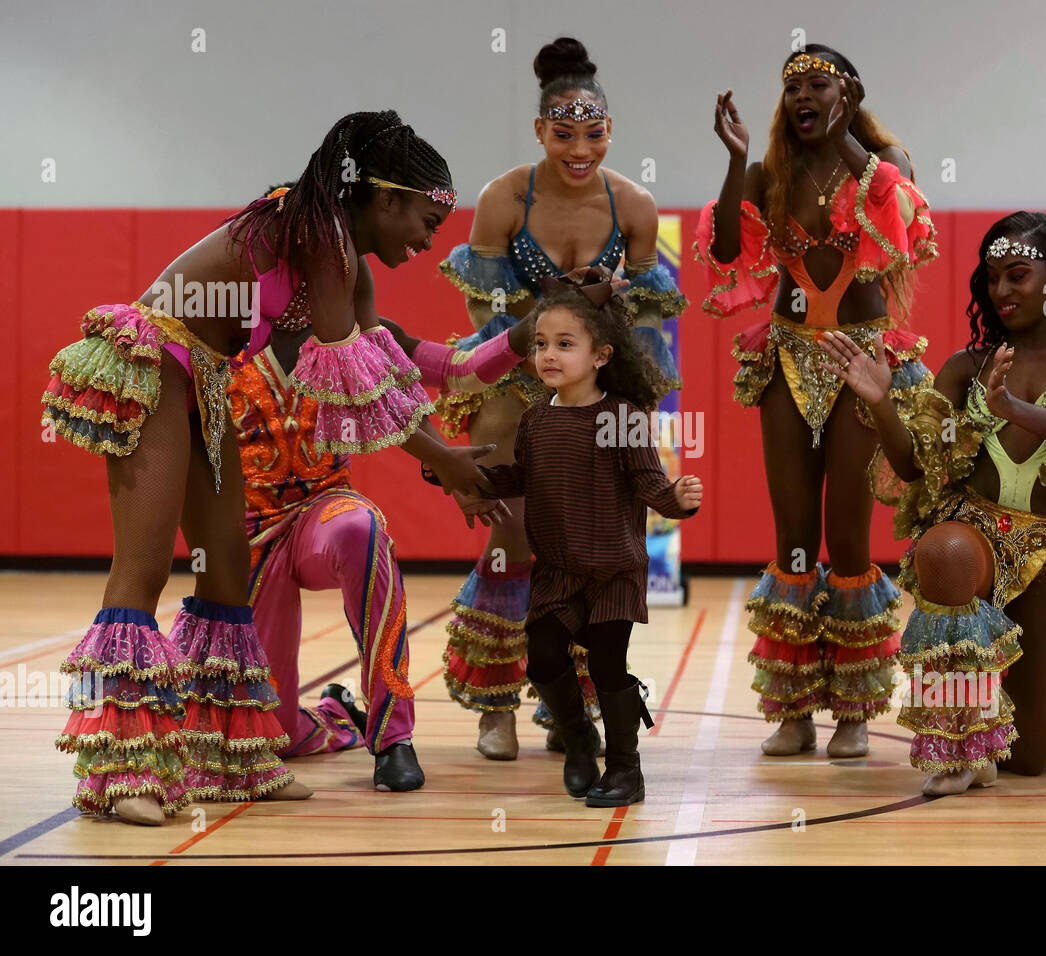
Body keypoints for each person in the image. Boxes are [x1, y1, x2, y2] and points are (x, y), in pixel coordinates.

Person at [41, 110, 494, 824]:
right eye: (427, 220)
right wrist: (442, 460)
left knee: (224, 570)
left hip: (208, 381)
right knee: (147, 568)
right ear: (385, 198)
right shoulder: (318, 235)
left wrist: (449, 448)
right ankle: (122, 772)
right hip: (154, 365)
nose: (429, 239)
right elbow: (353, 383)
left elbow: (385, 363)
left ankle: (235, 757)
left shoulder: (345, 259)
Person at [819, 211, 1046, 794]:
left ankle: (1036, 731)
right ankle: (959, 747)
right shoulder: (965, 367)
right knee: (942, 550)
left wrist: (1016, 411)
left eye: (1017, 275)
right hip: (975, 540)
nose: (1001, 290)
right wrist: (880, 404)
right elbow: (912, 467)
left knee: (1030, 759)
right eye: (992, 277)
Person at [435, 37, 686, 760]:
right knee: (514, 542)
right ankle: (495, 707)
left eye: (595, 134)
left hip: (596, 398)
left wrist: (617, 394)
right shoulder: (504, 198)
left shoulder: (633, 205)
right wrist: (541, 355)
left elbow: (644, 321)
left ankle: (568, 698)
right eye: (564, 133)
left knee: (590, 547)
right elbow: (486, 317)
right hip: (517, 387)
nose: (580, 148)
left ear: (611, 131)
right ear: (540, 130)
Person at [233, 183, 530, 791]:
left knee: (361, 527)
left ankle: (394, 737)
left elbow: (460, 371)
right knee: (277, 738)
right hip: (245, 535)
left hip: (323, 510)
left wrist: (528, 335)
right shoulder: (224, 337)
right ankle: (342, 715)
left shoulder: (364, 334)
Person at [696, 45, 937, 757]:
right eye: (793, 87)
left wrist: (843, 132)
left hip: (860, 360)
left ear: (848, 93)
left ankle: (855, 711)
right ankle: (794, 709)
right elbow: (724, 244)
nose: (802, 96)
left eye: (818, 85)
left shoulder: (884, 166)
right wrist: (737, 157)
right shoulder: (772, 170)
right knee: (794, 537)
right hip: (787, 358)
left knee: (850, 536)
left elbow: (896, 217)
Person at [425, 271, 702, 806]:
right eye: (541, 345)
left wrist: (677, 501)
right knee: (545, 657)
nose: (549, 355)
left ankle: (626, 770)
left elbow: (648, 483)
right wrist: (450, 471)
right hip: (557, 571)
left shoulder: (623, 417)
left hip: (614, 570)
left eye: (565, 345)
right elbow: (517, 479)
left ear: (600, 355)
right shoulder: (535, 421)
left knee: (606, 665)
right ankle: (578, 740)